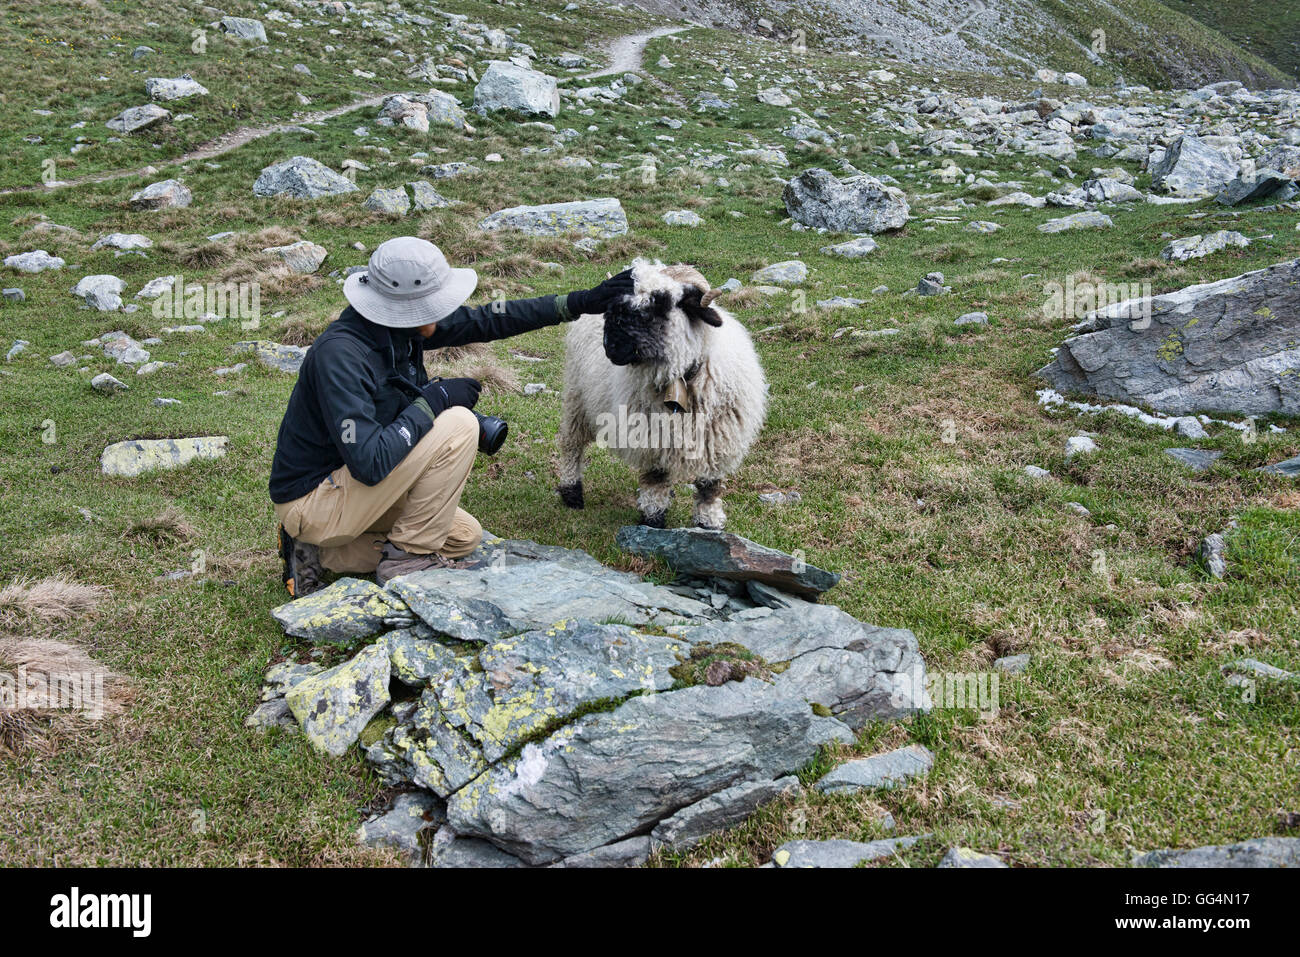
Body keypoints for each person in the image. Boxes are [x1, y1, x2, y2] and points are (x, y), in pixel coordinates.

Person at [269, 236, 632, 596]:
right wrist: (434, 400)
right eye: (435, 303)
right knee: (459, 424)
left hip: (353, 493)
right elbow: (370, 462)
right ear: (406, 307)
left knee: (462, 537)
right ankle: (404, 560)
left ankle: (319, 550)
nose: (444, 310)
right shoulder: (342, 356)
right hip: (315, 498)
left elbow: (488, 320)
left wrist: (579, 302)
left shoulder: (397, 329)